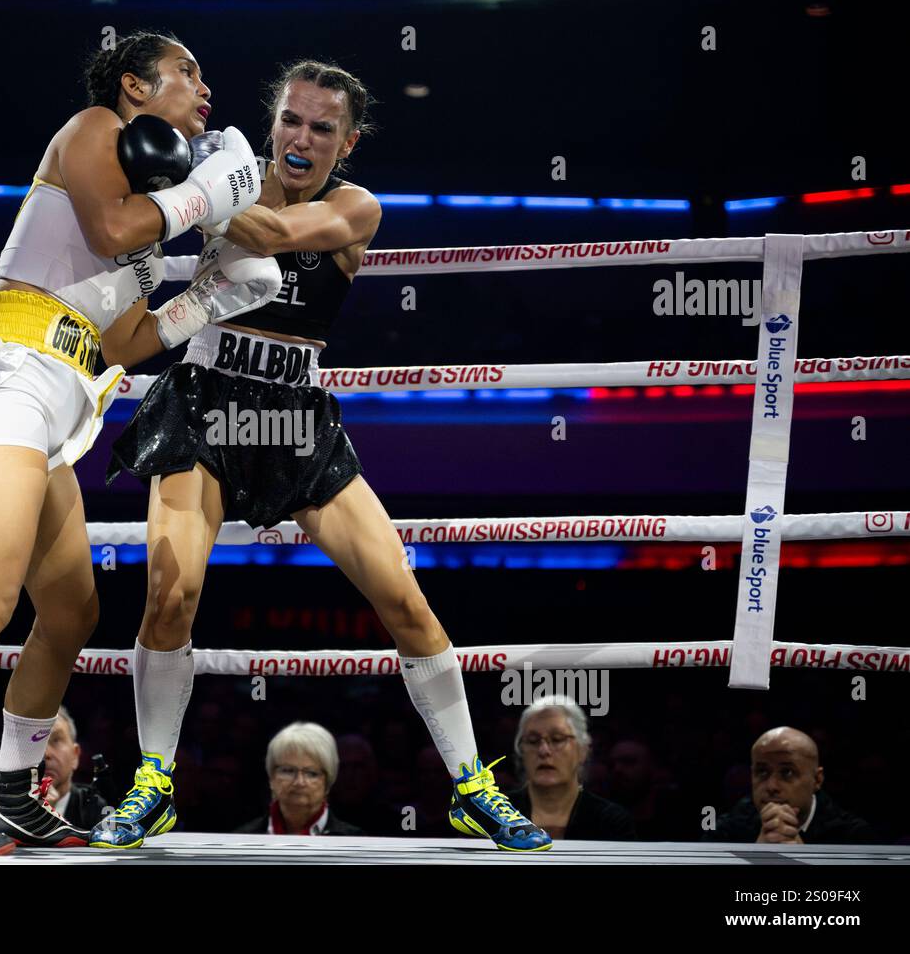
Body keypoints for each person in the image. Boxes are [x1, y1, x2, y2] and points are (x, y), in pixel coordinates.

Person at [96, 60, 552, 852]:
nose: (301, 139)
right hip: (203, 402)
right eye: (291, 121)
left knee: (403, 600)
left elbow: (271, 235)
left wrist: (193, 187)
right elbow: (127, 228)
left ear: (348, 140)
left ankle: (473, 785)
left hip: (296, 419)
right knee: (171, 595)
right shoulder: (232, 171)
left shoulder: (354, 206)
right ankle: (153, 784)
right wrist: (191, 184)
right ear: (272, 121)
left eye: (322, 127)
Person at [0, 30, 264, 857]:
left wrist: (211, 297)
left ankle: (15, 792)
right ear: (135, 84)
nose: (206, 87)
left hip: (61, 398)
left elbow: (126, 340)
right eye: (187, 72)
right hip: (8, 379)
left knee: (71, 610)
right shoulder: (94, 127)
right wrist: (204, 196)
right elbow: (105, 226)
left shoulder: (145, 209)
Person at [703, 726, 879, 845]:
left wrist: (802, 860)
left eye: (787, 772)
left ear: (817, 780)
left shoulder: (853, 835)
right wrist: (755, 858)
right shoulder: (726, 831)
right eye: (762, 772)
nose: (771, 786)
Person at [506, 696, 636, 841]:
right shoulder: (495, 815)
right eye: (533, 740)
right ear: (521, 750)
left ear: (583, 750)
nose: (544, 750)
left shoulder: (611, 821)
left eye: (557, 739)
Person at [235, 723, 362, 835]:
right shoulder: (242, 838)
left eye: (311, 773)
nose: (299, 782)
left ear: (327, 783)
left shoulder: (355, 840)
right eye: (288, 771)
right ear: (271, 779)